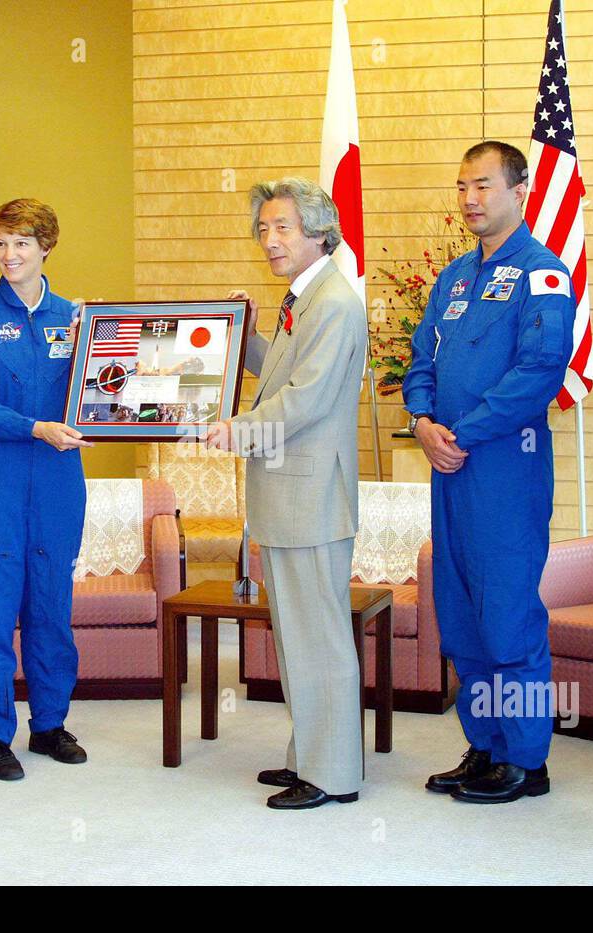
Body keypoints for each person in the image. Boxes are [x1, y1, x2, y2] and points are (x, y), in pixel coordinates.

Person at [403, 141, 574, 803]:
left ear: (518, 189)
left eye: (483, 186)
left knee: (506, 616)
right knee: (463, 616)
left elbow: (539, 373)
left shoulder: (543, 274)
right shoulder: (453, 279)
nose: (471, 200)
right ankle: (485, 745)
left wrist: (462, 433)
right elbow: (421, 361)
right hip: (449, 469)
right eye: (462, 187)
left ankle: (525, 761)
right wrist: (422, 423)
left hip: (504, 469)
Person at [205, 176, 367, 810]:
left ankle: (333, 775)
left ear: (318, 232)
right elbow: (285, 371)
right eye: (263, 229)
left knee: (319, 639)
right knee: (299, 637)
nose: (269, 241)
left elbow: (308, 398)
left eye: (282, 228)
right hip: (289, 495)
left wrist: (234, 430)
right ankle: (313, 756)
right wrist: (241, 335)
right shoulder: (305, 297)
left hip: (311, 498)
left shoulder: (334, 301)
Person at [0, 199, 90, 781]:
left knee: (51, 607)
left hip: (57, 482)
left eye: (21, 243)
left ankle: (50, 724)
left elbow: (106, 387)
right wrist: (34, 428)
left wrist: (108, 413)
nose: (9, 255)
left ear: (46, 246)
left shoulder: (77, 318)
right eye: (1, 244)